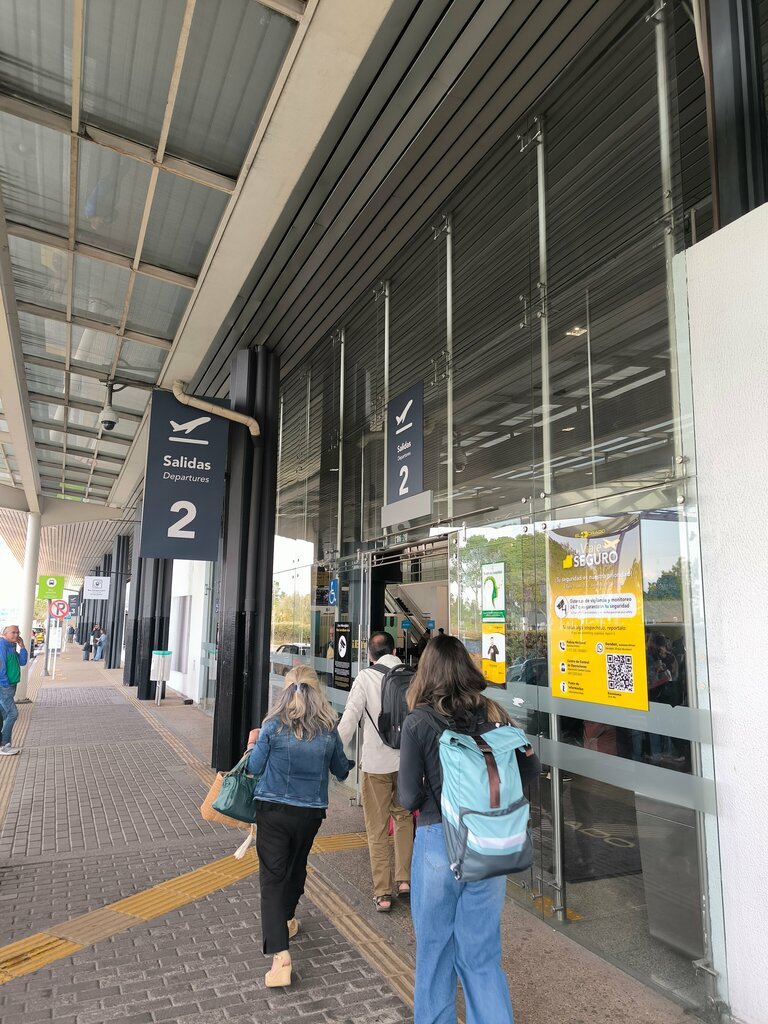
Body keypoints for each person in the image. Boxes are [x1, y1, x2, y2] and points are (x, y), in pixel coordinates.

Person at [398, 633, 540, 1024]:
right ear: (467, 668)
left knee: (435, 952)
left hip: (437, 844)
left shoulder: (419, 722)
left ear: (425, 672)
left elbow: (408, 796)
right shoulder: (495, 713)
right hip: (489, 843)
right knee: (480, 956)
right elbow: (530, 769)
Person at [246, 666, 353, 988]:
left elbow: (254, 767)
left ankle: (280, 956)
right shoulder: (327, 729)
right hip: (309, 814)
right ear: (316, 691)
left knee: (272, 879)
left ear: (285, 690)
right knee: (296, 867)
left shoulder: (272, 726)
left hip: (273, 810)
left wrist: (253, 744)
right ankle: (288, 918)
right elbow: (341, 771)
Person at [338, 631, 414, 912]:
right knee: (404, 818)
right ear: (395, 650)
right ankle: (404, 880)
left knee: (377, 828)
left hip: (376, 765)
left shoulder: (365, 678)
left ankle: (383, 893)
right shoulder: (411, 676)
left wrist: (332, 752)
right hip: (406, 762)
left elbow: (349, 720)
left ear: (370, 654)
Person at [0, 625, 28, 756]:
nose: (16, 635)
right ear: (4, 633)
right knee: (13, 714)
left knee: (5, 715)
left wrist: (22, 646)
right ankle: (4, 745)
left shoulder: (11, 647)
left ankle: (6, 745)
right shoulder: (2, 646)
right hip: (5, 686)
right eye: (13, 632)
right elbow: (1, 668)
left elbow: (22, 662)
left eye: (18, 632)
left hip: (11, 686)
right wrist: (5, 685)